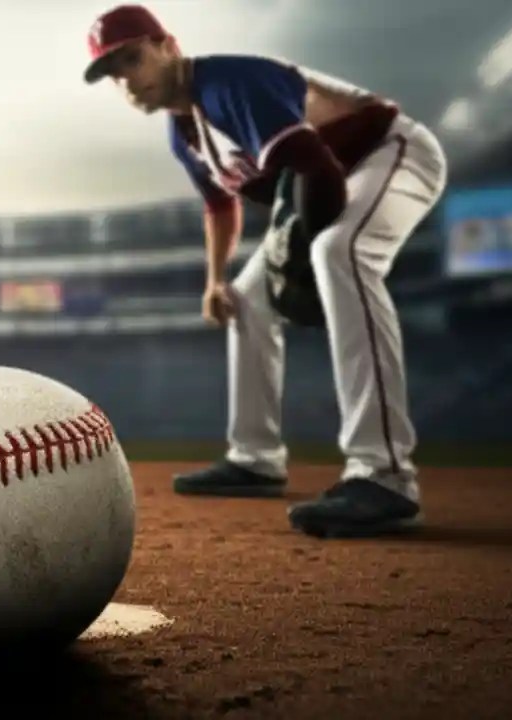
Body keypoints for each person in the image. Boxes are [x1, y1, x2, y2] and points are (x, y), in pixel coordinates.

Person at [82, 5, 448, 537]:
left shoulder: (230, 83)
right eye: (112, 74)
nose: (125, 80)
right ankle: (256, 456)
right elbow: (220, 208)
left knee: (338, 252)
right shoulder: (183, 131)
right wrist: (214, 279)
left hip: (389, 152)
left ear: (168, 45)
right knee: (246, 299)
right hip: (324, 183)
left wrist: (297, 255)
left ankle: (384, 473)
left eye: (132, 59)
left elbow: (315, 166)